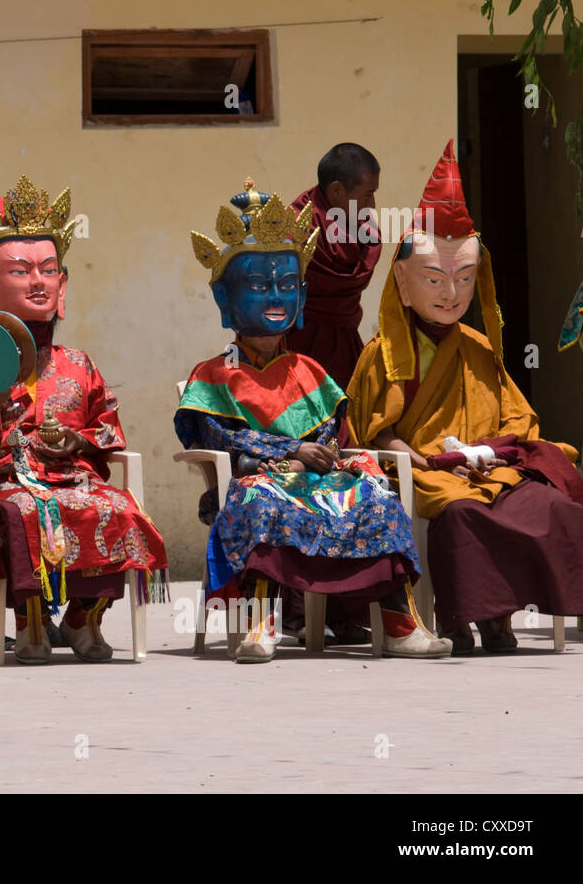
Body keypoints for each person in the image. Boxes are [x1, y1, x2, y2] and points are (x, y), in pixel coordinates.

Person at [176, 178, 450, 663]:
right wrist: (288, 453)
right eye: (258, 285)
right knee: (260, 499)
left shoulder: (311, 371)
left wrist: (313, 457)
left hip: (317, 479)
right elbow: (218, 436)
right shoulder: (215, 373)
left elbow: (330, 434)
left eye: (286, 284)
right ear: (224, 299)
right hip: (253, 480)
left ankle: (398, 621)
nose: (275, 296)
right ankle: (259, 623)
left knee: (376, 494)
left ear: (302, 296)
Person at [0, 175, 169, 664]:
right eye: (20, 271)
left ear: (62, 284)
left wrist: (79, 441)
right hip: (9, 481)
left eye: (48, 270)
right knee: (21, 512)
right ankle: (29, 620)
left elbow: (107, 429)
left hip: (74, 477)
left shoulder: (79, 361)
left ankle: (81, 619)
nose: (37, 282)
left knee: (118, 508)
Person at [348, 141, 583, 654]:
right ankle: (464, 619)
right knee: (461, 513)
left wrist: (488, 452)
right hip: (422, 472)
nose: (451, 293)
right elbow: (374, 435)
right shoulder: (383, 355)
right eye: (434, 278)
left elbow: (517, 416)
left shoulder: (476, 347)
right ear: (404, 286)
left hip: (483, 467)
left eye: (464, 278)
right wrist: (434, 462)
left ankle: (503, 617)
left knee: (545, 501)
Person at [286, 143, 382, 389]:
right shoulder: (297, 230)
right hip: (295, 345)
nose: (372, 203)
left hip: (344, 342)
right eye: (367, 194)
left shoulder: (363, 229)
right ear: (337, 190)